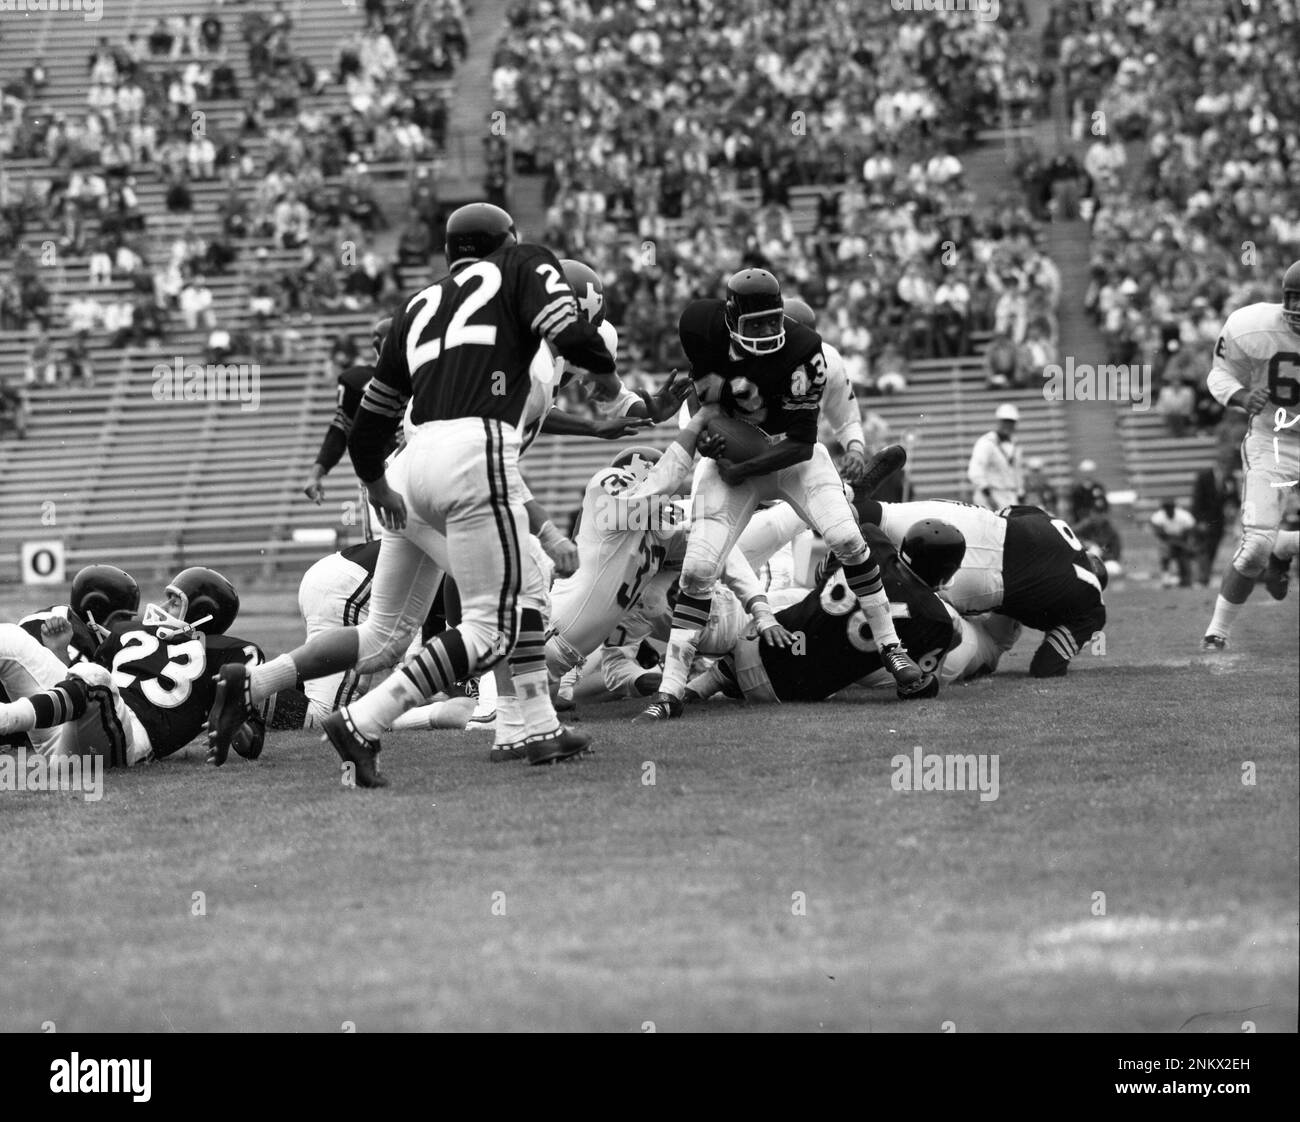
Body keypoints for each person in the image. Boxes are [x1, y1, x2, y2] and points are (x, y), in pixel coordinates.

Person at [207, 203, 616, 783]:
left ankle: (251, 683)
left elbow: (371, 417)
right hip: (469, 463)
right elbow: (567, 355)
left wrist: (376, 484)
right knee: (503, 614)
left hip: (408, 471)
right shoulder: (528, 300)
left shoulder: (420, 304)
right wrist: (607, 387)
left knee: (384, 636)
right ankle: (401, 720)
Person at [636, 268, 922, 721]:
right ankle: (670, 688)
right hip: (735, 459)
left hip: (791, 458)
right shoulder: (703, 331)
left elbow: (809, 438)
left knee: (848, 539)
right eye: (759, 325)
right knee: (697, 570)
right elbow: (701, 401)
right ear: (732, 322)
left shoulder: (814, 357)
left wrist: (852, 447)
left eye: (778, 323)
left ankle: (891, 646)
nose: (772, 333)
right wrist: (710, 438)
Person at [683, 520, 961, 704]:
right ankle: (718, 679)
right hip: (786, 693)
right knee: (852, 655)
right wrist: (944, 642)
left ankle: (712, 677)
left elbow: (820, 576)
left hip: (754, 642)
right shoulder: (936, 619)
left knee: (803, 604)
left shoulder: (872, 539)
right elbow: (916, 689)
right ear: (946, 571)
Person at [861, 499, 1108, 678]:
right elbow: (1047, 665)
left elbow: (1006, 511)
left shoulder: (1056, 524)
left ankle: (845, 498)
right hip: (988, 580)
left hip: (976, 523)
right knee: (905, 596)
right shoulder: (1092, 606)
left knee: (872, 513)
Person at [1201, 261, 1300, 650]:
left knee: (1270, 544)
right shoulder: (1252, 326)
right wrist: (1243, 397)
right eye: (1296, 301)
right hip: (1273, 439)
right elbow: (1218, 374)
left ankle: (1287, 545)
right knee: (1256, 545)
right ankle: (1216, 633)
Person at [1190, 451, 1240, 586]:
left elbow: (1235, 500)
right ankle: (1202, 577)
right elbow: (1196, 500)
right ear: (1219, 462)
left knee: (1212, 549)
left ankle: (1204, 576)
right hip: (1203, 520)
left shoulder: (1230, 479)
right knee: (1203, 549)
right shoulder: (1204, 476)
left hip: (1218, 521)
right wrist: (1199, 521)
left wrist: (1232, 505)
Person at [967, 403, 1024, 509]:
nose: (1008, 425)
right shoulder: (987, 442)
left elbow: (1017, 471)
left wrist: (1020, 491)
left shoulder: (1015, 444)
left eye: (1011, 422)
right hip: (990, 495)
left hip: (1010, 495)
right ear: (999, 421)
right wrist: (988, 496)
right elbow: (975, 471)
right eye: (1005, 421)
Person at [1149, 498, 1197, 587]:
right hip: (1168, 543)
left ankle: (1186, 578)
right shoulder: (1158, 517)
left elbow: (1190, 531)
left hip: (1183, 541)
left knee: (1185, 556)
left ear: (1174, 507)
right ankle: (1166, 578)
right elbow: (1161, 535)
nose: (1168, 510)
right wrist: (1177, 542)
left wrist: (1183, 544)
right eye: (1166, 508)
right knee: (1164, 551)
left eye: (1170, 507)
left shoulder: (1184, 516)